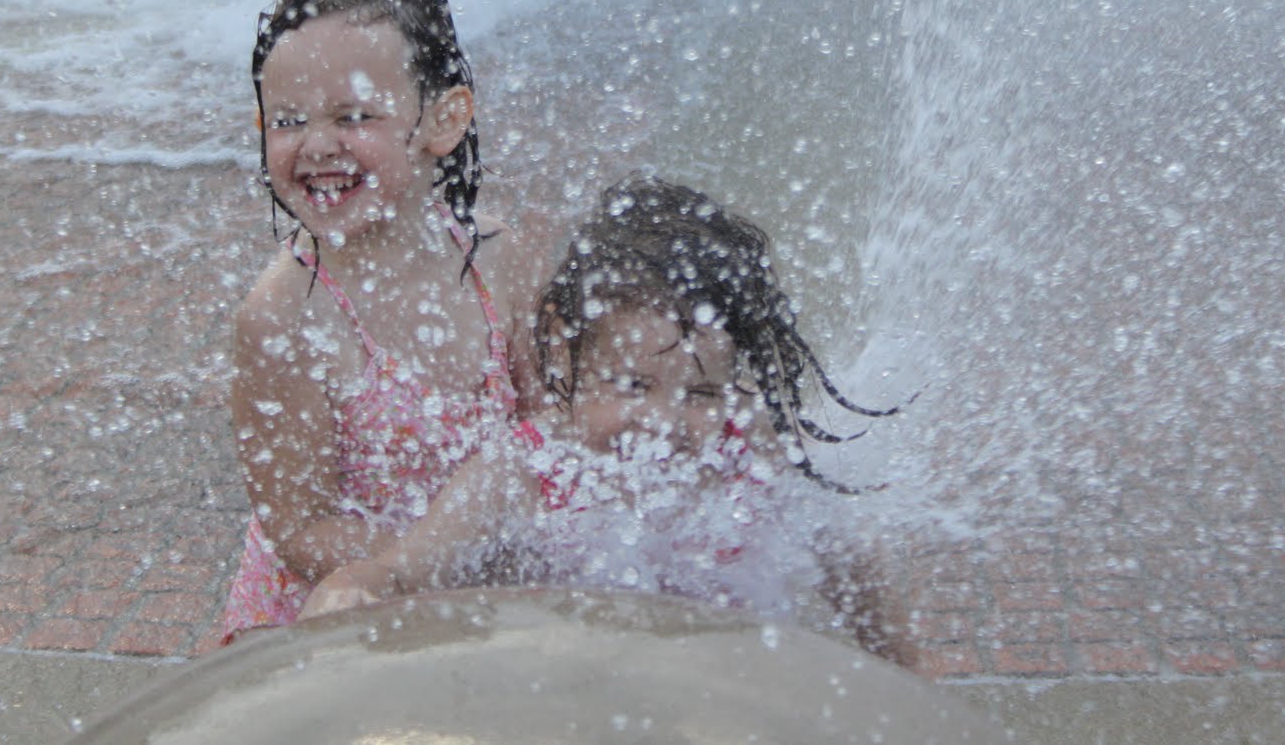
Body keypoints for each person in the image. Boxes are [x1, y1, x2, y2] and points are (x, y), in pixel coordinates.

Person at [299, 176, 921, 666]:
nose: (664, 422)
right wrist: (357, 586)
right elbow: (408, 568)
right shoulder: (525, 471)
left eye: (702, 393)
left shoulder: (748, 444)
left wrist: (904, 669)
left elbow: (847, 551)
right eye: (632, 386)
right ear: (563, 348)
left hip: (726, 688)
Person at [221, 0, 544, 639]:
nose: (317, 145)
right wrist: (439, 563)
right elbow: (300, 527)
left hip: (486, 584)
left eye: (354, 115)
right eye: (288, 120)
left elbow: (548, 428)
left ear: (444, 120)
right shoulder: (284, 317)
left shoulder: (500, 262)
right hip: (344, 614)